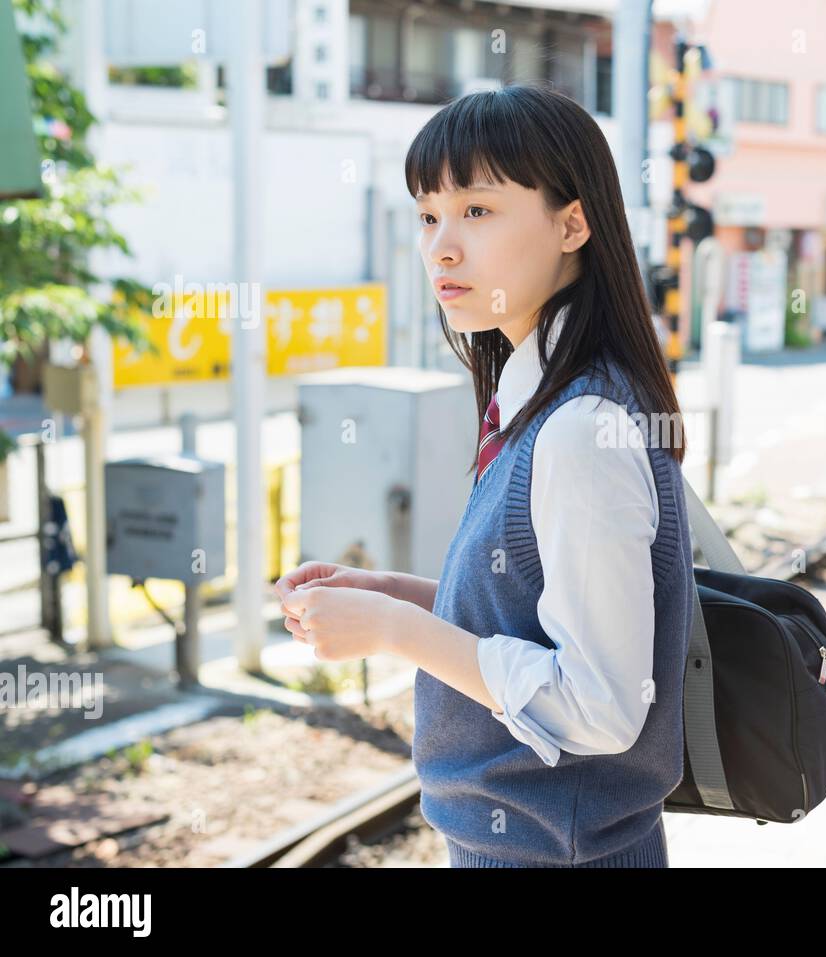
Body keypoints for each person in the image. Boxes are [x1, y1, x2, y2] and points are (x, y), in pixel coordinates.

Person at [276, 85, 695, 867]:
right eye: (429, 214)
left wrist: (398, 632)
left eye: (477, 210)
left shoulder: (579, 429)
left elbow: (600, 706)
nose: (441, 245)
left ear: (573, 222)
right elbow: (539, 618)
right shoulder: (541, 399)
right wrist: (399, 598)